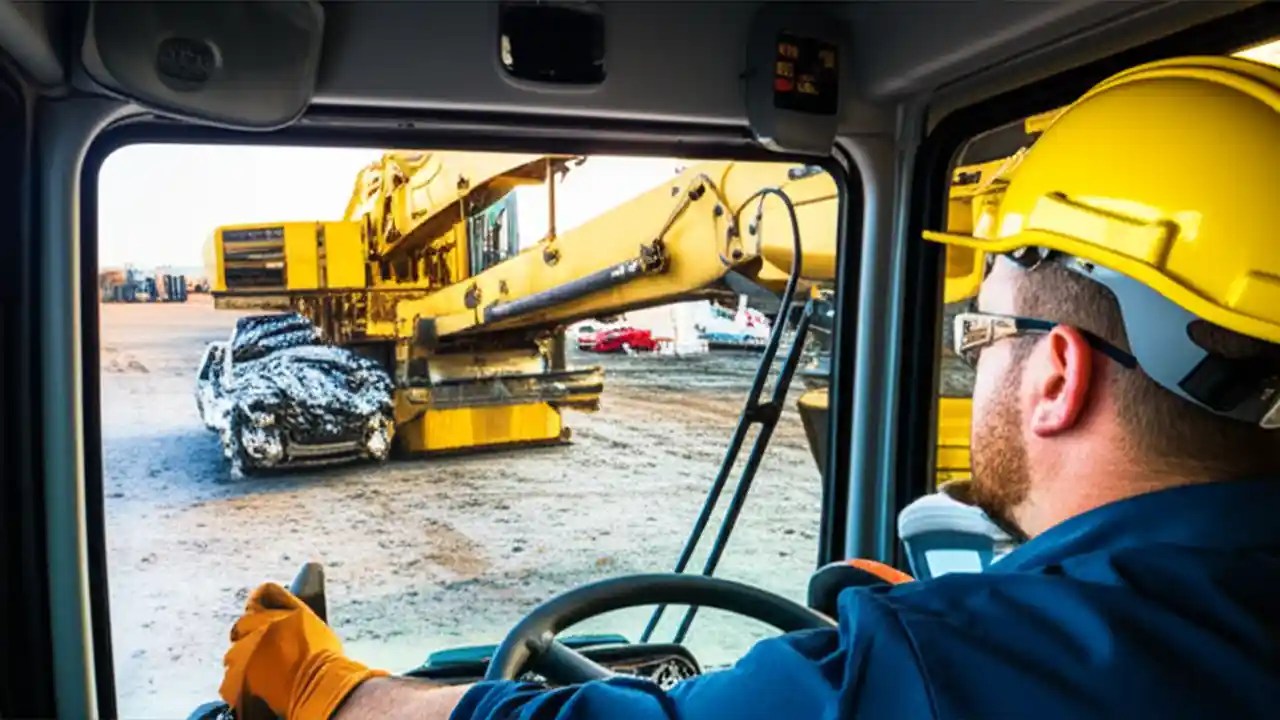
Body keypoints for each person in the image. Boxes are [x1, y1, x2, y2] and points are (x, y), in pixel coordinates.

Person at [218, 54, 1280, 720]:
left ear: (1057, 374)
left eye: (980, 330)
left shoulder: (949, 664)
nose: (972, 353)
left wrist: (329, 689)